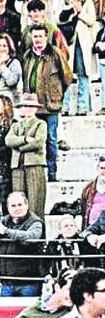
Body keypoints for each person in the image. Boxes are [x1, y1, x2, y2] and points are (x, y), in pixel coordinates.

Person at [21, 25, 70, 183]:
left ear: (46, 37)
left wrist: (56, 93)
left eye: (41, 36)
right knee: (34, 140)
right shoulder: (28, 55)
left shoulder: (55, 54)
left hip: (50, 105)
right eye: (35, 37)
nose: (38, 40)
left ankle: (52, 173)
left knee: (51, 139)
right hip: (33, 106)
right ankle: (38, 172)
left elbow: (67, 77)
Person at [4, 94, 47, 216]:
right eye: (25, 106)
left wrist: (19, 148)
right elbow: (8, 141)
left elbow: (38, 142)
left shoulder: (40, 124)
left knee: (35, 201)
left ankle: (37, 230)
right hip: (17, 167)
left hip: (34, 165)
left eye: (31, 106)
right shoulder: (16, 125)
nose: (28, 109)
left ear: (36, 108)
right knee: (18, 199)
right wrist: (25, 139)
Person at [0, 192, 44, 296]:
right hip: (6, 282)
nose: (17, 208)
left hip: (28, 282)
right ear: (8, 207)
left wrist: (6, 231)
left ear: (27, 205)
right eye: (13, 205)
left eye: (20, 205)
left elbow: (31, 237)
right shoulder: (4, 221)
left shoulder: (35, 222)